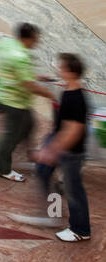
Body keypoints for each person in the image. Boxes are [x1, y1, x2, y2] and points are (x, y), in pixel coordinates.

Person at [0, 22, 57, 182]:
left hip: (5, 93)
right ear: (26, 39)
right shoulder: (20, 57)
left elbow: (15, 72)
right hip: (15, 101)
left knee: (29, 125)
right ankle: (0, 168)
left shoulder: (8, 43)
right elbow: (29, 86)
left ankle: (26, 152)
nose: (37, 42)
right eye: (35, 39)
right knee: (10, 135)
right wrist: (51, 95)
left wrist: (36, 76)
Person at [35, 54, 92, 242]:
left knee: (74, 190)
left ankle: (81, 230)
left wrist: (52, 150)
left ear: (70, 72)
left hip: (70, 153)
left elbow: (73, 131)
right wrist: (46, 79)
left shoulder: (75, 98)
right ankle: (55, 213)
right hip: (62, 146)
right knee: (43, 172)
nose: (58, 69)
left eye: (61, 67)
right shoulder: (69, 88)